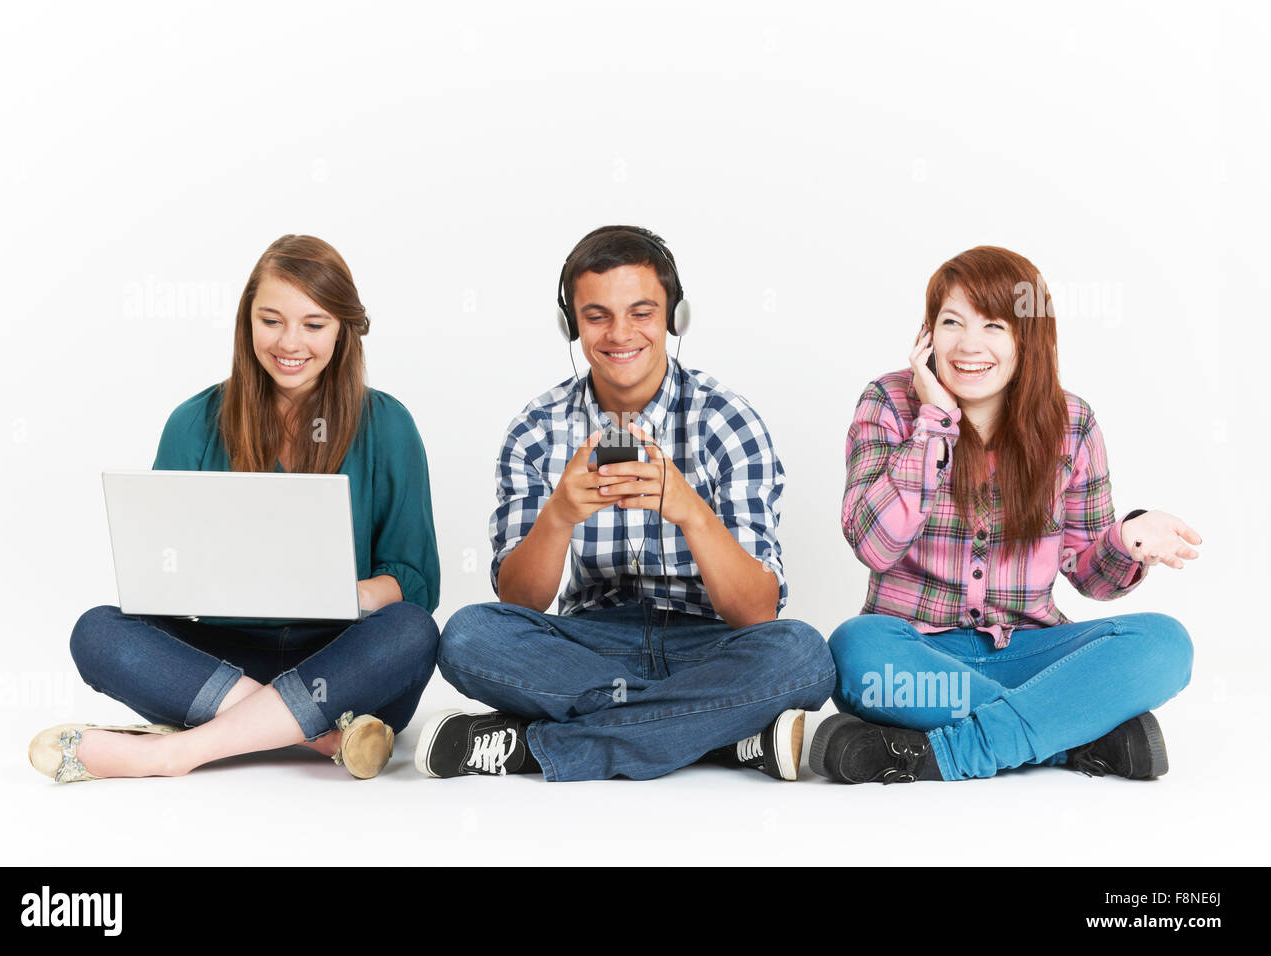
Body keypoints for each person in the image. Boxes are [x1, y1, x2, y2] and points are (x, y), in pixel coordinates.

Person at [415, 225, 834, 782]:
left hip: (709, 642)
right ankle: (721, 736)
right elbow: (520, 604)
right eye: (596, 315)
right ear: (571, 326)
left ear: (673, 319)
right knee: (468, 637)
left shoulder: (727, 421)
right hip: (589, 646)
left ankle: (531, 748)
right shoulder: (537, 430)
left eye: (641, 311)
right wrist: (559, 515)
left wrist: (691, 511)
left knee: (803, 655)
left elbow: (757, 613)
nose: (620, 334)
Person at [29, 234, 441, 783]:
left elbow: (415, 581)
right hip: (220, 664)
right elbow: (158, 571)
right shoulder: (193, 422)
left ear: (343, 329)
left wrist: (347, 593)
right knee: (97, 632)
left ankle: (175, 753)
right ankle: (323, 738)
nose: (290, 342)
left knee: (411, 631)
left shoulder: (387, 425)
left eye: (314, 325)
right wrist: (186, 576)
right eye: (271, 320)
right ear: (247, 321)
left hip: (342, 662)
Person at [811, 245, 1198, 784]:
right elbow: (875, 545)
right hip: (916, 658)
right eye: (951, 322)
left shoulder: (1073, 423)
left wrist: (1128, 539)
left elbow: (1088, 576)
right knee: (855, 651)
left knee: (1165, 644)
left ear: (1027, 338)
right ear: (927, 335)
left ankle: (945, 752)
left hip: (1032, 651)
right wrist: (934, 424)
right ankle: (1077, 735)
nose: (969, 345)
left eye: (994, 325)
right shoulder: (889, 403)